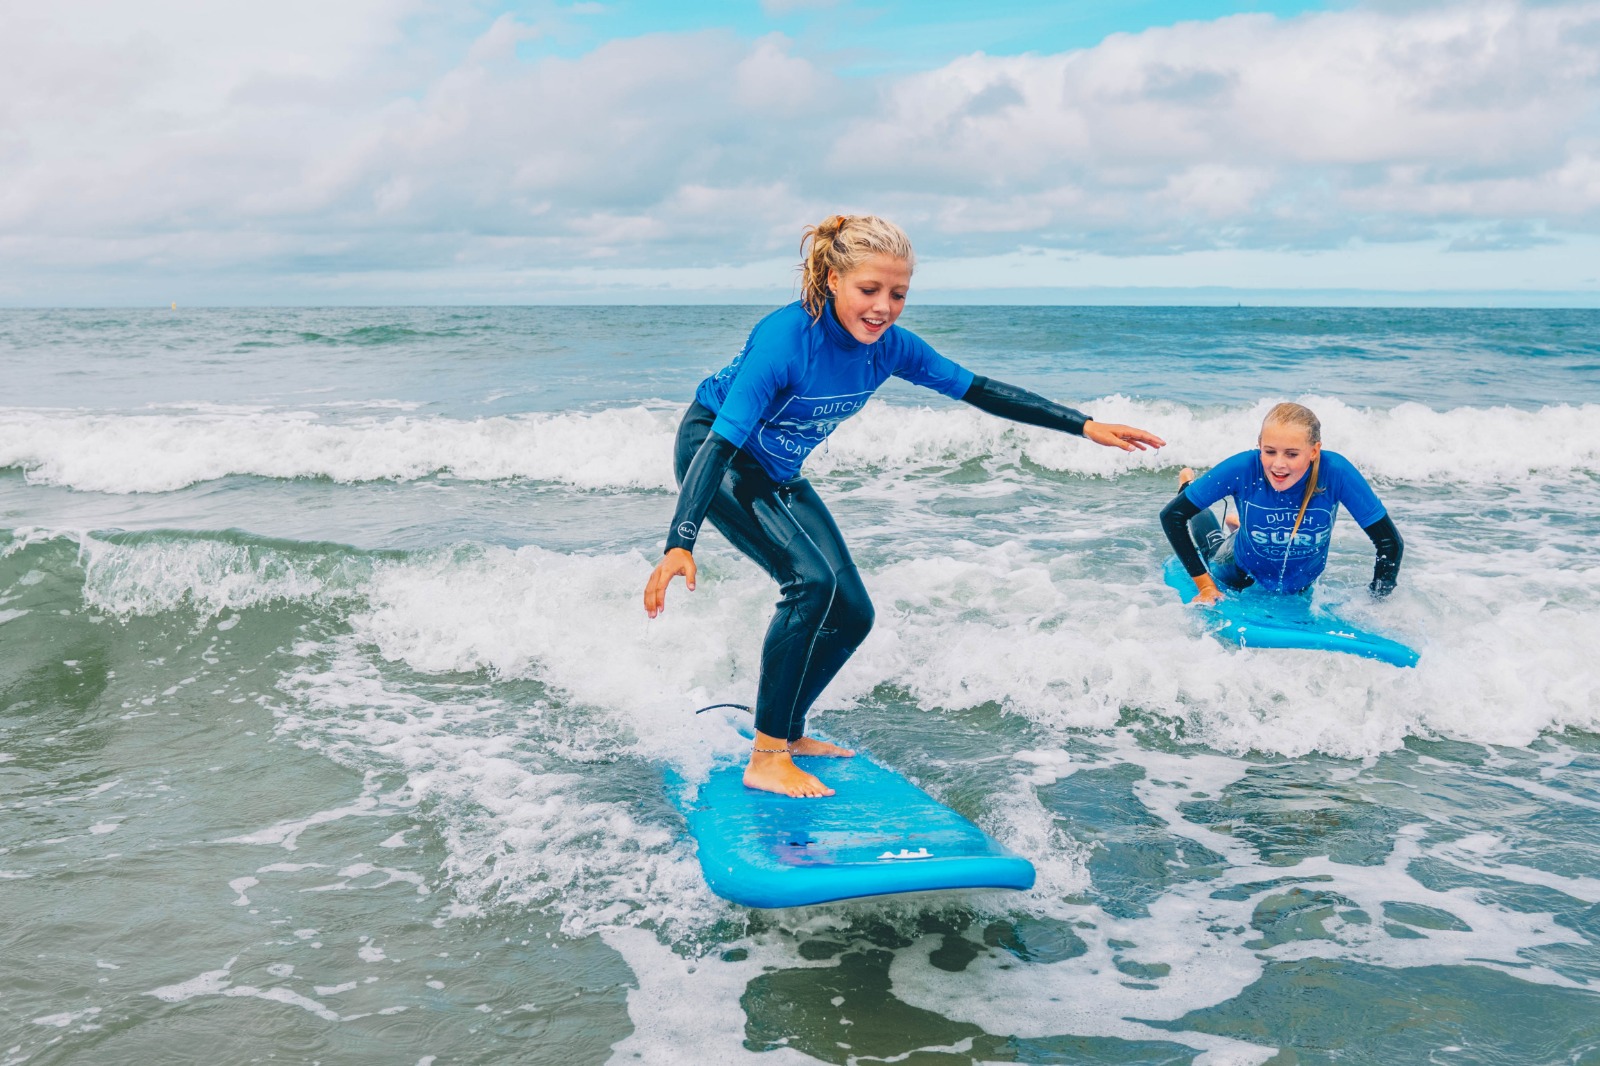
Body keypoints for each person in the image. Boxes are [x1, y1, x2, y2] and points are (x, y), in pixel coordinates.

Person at [642, 214, 1166, 798]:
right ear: (832, 279)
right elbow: (718, 444)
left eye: (898, 294)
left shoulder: (889, 348)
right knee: (811, 586)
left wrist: (1084, 425)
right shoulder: (785, 340)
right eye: (870, 290)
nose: (884, 307)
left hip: (777, 468)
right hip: (717, 454)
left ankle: (786, 734)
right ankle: (765, 758)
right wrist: (679, 543)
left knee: (853, 613)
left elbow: (980, 389)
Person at [1159, 402, 1402, 606]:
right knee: (1212, 546)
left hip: (1300, 582)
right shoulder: (1243, 468)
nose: (1278, 465)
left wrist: (1376, 603)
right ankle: (1188, 486)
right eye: (1270, 451)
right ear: (1259, 445)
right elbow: (1172, 516)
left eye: (1292, 454)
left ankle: (1242, 524)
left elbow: (1390, 542)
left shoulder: (1336, 473)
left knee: (1259, 530)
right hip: (1240, 571)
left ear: (1314, 451)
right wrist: (1205, 586)